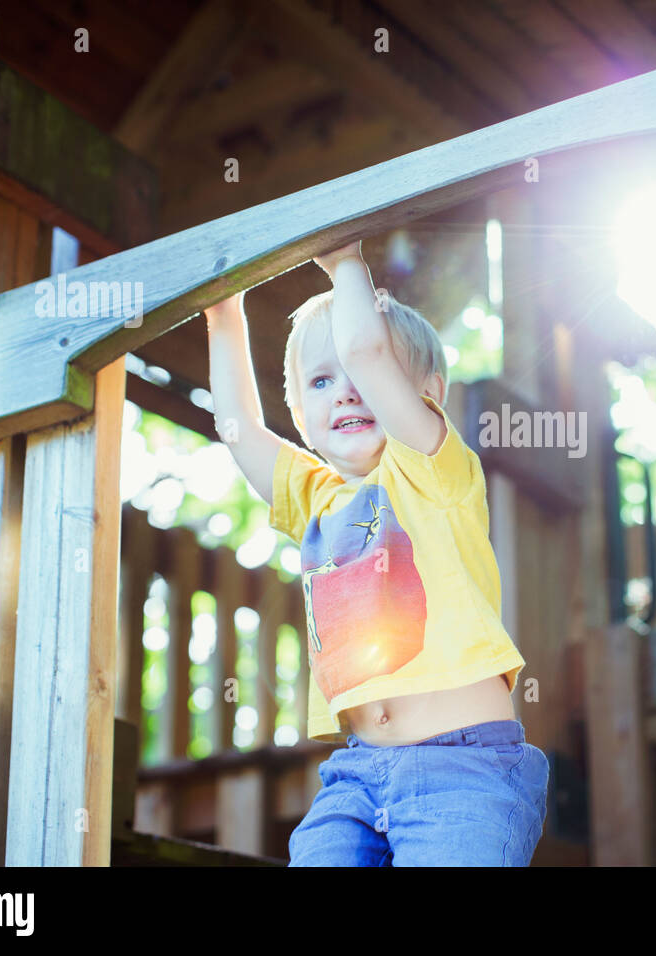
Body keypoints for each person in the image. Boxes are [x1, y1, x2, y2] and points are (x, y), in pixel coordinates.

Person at [203, 240, 548, 866]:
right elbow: (236, 427)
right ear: (302, 415)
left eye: (367, 375)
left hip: (464, 768)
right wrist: (222, 310)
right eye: (321, 381)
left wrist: (343, 264)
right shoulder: (315, 500)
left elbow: (364, 346)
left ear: (428, 393)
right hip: (358, 776)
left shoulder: (432, 469)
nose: (347, 391)